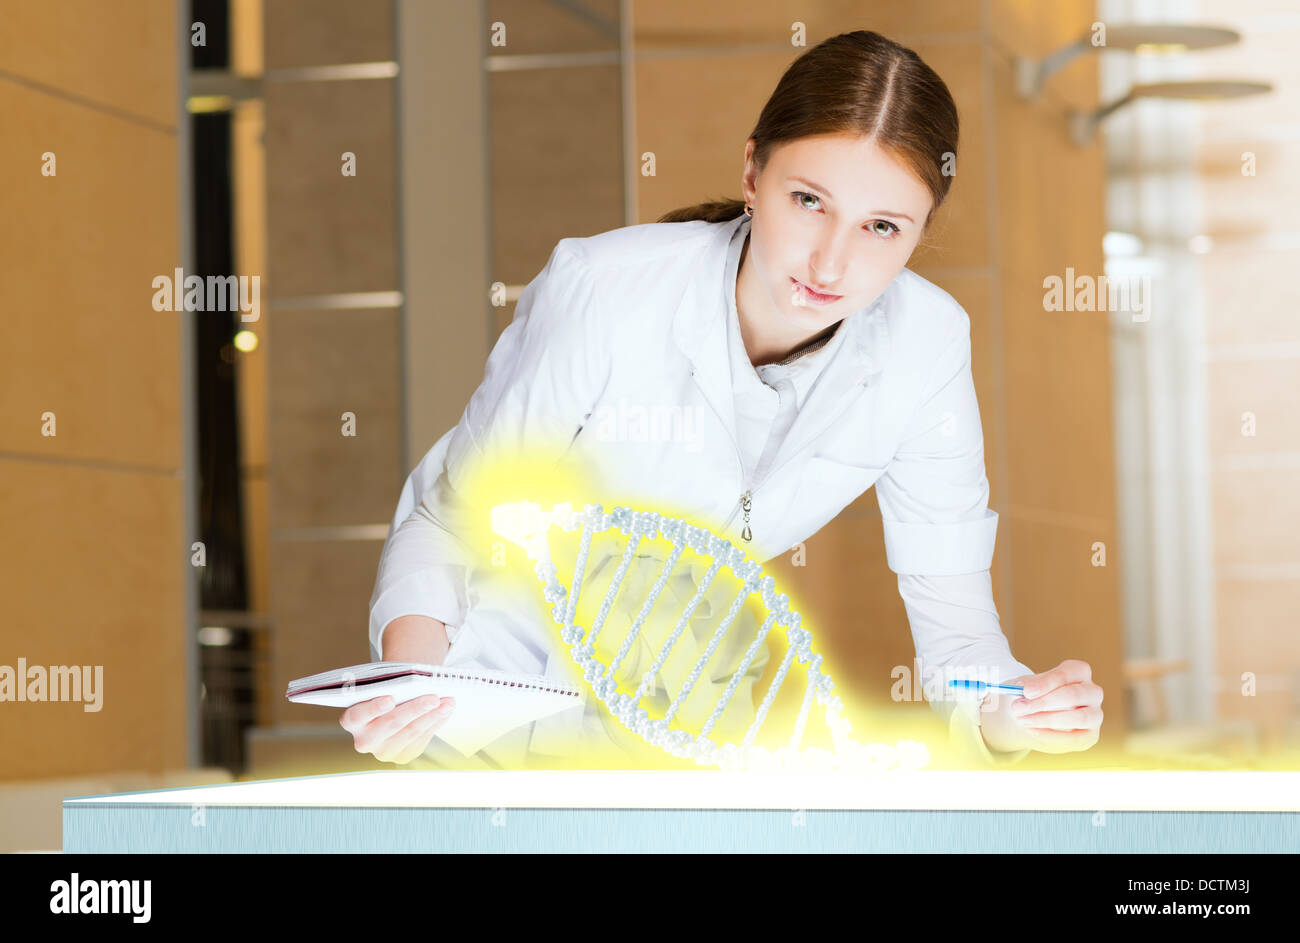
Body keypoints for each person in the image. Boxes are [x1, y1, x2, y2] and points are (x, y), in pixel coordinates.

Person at [341, 29, 1104, 769]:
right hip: (483, 696)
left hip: (672, 721)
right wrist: (418, 683)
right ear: (751, 175)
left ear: (920, 233)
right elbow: (450, 515)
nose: (832, 261)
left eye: (881, 226)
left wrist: (1015, 709)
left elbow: (959, 633)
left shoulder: (926, 346)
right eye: (809, 200)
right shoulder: (604, 291)